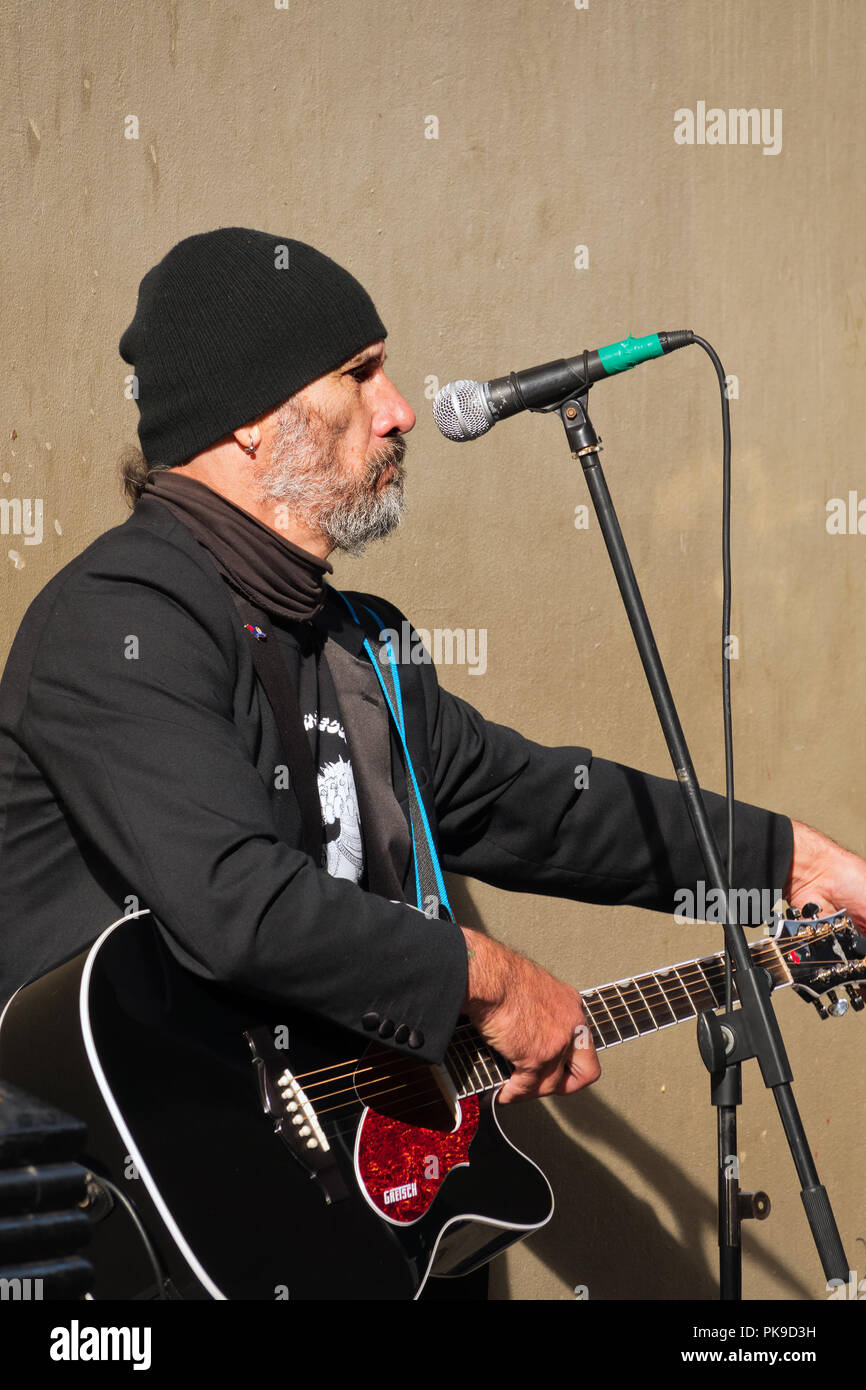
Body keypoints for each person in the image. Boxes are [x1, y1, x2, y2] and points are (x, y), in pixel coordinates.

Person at [0, 228, 864, 1297]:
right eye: (357, 375)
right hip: (139, 1233)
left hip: (338, 1223)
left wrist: (787, 862)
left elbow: (536, 803)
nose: (400, 406)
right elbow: (233, 901)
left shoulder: (358, 643)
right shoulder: (120, 619)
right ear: (250, 415)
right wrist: (488, 978)